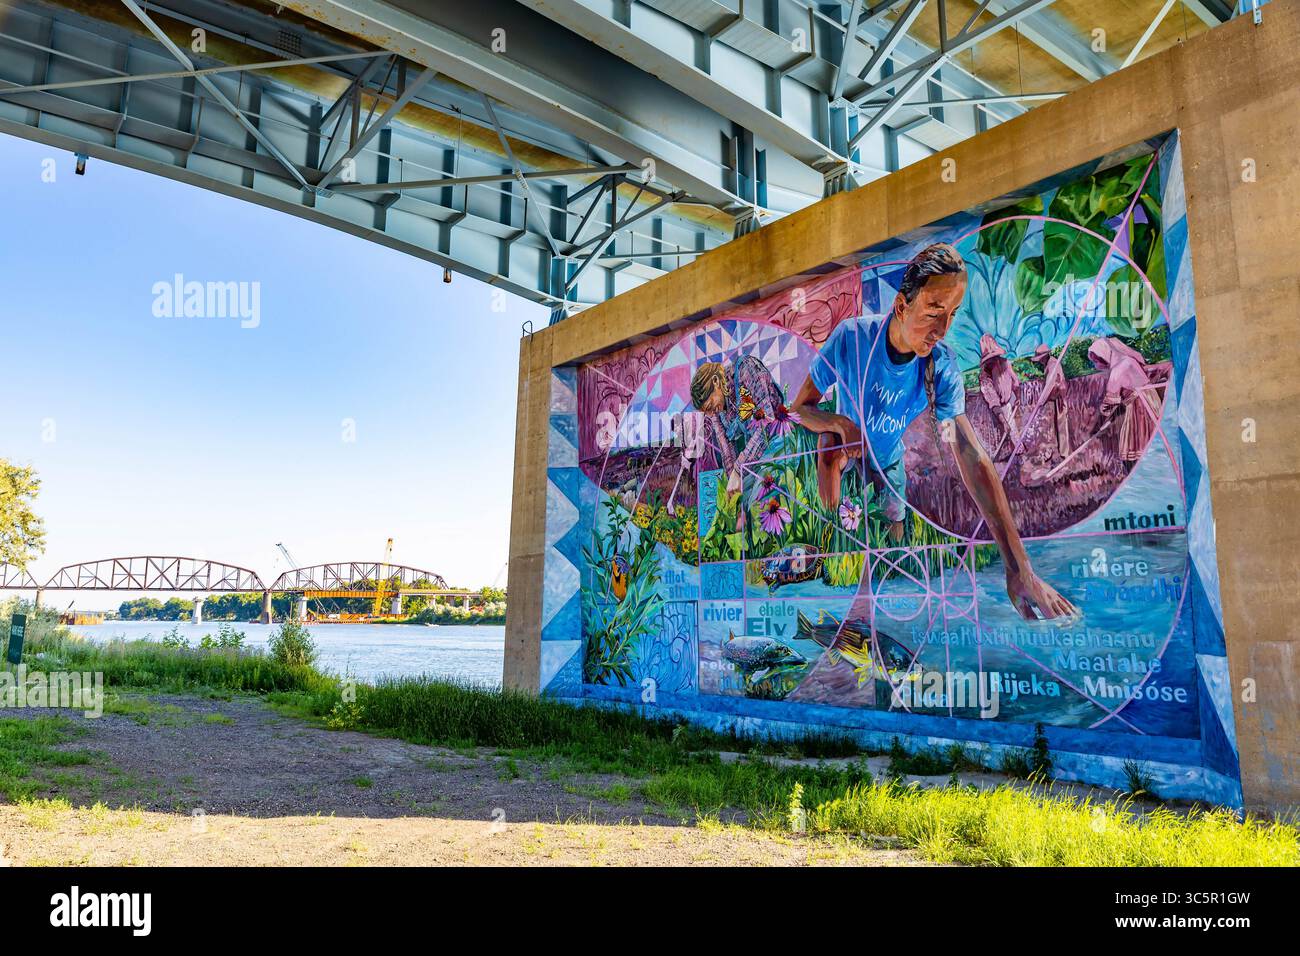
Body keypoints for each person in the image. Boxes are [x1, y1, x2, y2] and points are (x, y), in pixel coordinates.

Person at [790, 242, 1077, 621]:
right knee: (828, 450)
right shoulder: (851, 338)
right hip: (848, 454)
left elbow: (971, 454)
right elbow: (800, 409)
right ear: (902, 307)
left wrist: (1019, 567)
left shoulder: (941, 366)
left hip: (889, 461)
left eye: (953, 315)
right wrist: (839, 424)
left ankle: (888, 585)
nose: (942, 330)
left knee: (894, 525)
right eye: (933, 312)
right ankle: (834, 558)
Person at [688, 353, 784, 501]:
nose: (711, 413)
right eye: (706, 411)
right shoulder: (717, 411)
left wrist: (738, 471)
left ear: (715, 381)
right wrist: (733, 493)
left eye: (709, 406)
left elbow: (768, 421)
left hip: (782, 448)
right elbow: (727, 452)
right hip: (756, 461)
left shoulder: (746, 369)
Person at [1087, 337, 1161, 468]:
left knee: (1134, 445)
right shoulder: (1128, 359)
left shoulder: (1117, 371)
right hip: (1150, 399)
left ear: (1104, 355)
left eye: (1098, 361)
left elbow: (1109, 404)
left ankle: (1141, 473)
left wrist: (1098, 422)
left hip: (1141, 406)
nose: (1098, 365)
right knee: (1151, 441)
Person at [978, 334, 1020, 461]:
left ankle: (1017, 455)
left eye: (996, 357)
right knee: (1005, 435)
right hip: (996, 411)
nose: (995, 361)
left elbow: (1016, 382)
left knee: (1014, 435)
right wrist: (1003, 421)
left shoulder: (1005, 363)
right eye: (992, 358)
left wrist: (1017, 397)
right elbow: (993, 401)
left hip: (1008, 403)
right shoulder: (985, 376)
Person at [1031, 343, 1070, 462]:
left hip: (1059, 397)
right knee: (1056, 425)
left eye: (1040, 359)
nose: (1040, 361)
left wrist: (1041, 401)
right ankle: (1059, 452)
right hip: (1056, 397)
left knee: (1061, 424)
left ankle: (1064, 455)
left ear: (1044, 356)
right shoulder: (1049, 363)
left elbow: (1050, 385)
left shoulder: (1052, 364)